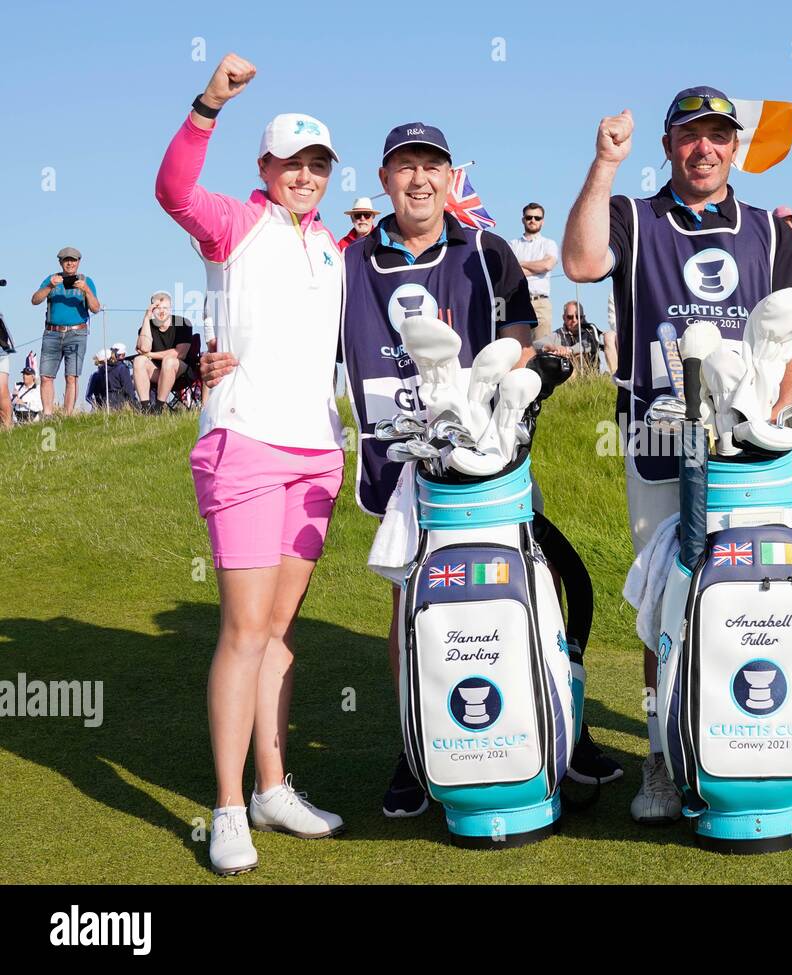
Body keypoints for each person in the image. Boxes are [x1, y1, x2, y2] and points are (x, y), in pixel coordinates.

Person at [204, 121, 621, 815]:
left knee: (533, 585)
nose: (419, 179)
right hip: (394, 464)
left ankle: (556, 728)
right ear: (386, 178)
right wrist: (224, 355)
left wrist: (499, 383)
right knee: (413, 607)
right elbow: (288, 320)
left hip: (489, 458)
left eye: (432, 166)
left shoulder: (487, 249)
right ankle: (418, 746)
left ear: (451, 177)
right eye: (404, 167)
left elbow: (522, 330)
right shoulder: (349, 260)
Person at [563, 85, 792, 824]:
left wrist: (767, 416)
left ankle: (783, 745)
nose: (704, 148)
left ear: (736, 148)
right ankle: (662, 761)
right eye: (689, 136)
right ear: (670, 145)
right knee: (666, 603)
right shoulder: (634, 216)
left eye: (718, 136)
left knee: (771, 595)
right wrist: (606, 162)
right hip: (660, 438)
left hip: (755, 448)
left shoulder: (770, 229)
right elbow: (579, 262)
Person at [156, 52, 347, 875]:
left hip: (317, 452)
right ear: (265, 167)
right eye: (292, 163)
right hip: (244, 444)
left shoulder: (336, 248)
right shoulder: (236, 222)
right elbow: (173, 191)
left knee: (279, 630)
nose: (305, 176)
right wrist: (209, 103)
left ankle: (274, 787)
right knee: (241, 629)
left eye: (318, 165)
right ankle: (228, 806)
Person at [31, 246, 101, 417]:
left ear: (78, 262)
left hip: (77, 333)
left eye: (73, 260)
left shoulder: (86, 281)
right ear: (60, 262)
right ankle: (48, 415)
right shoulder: (51, 279)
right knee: (46, 376)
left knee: (72, 376)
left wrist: (86, 290)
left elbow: (96, 308)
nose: (70, 263)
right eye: (66, 260)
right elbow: (35, 300)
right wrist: (49, 286)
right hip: (52, 333)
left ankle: (68, 415)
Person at [133, 292, 197, 412]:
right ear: (152, 309)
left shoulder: (183, 323)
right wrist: (146, 318)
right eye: (157, 308)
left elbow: (180, 354)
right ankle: (146, 408)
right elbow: (144, 348)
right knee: (138, 360)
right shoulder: (147, 326)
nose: (162, 311)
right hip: (157, 372)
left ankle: (158, 407)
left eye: (165, 308)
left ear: (171, 309)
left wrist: (150, 355)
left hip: (181, 371)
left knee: (169, 361)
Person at [508, 203, 559, 342]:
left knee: (541, 347)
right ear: (523, 219)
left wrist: (520, 263)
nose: (533, 220)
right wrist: (538, 267)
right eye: (529, 217)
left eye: (537, 218)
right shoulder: (512, 244)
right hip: (517, 301)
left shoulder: (549, 244)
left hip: (540, 302)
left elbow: (548, 265)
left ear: (542, 220)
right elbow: (510, 271)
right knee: (516, 346)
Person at [539, 300, 601, 370]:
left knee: (578, 355)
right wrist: (549, 347)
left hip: (588, 375)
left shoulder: (591, 332)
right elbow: (535, 345)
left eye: (578, 317)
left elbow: (589, 344)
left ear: (583, 318)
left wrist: (569, 350)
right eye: (570, 317)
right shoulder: (557, 334)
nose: (574, 320)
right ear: (563, 318)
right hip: (564, 375)